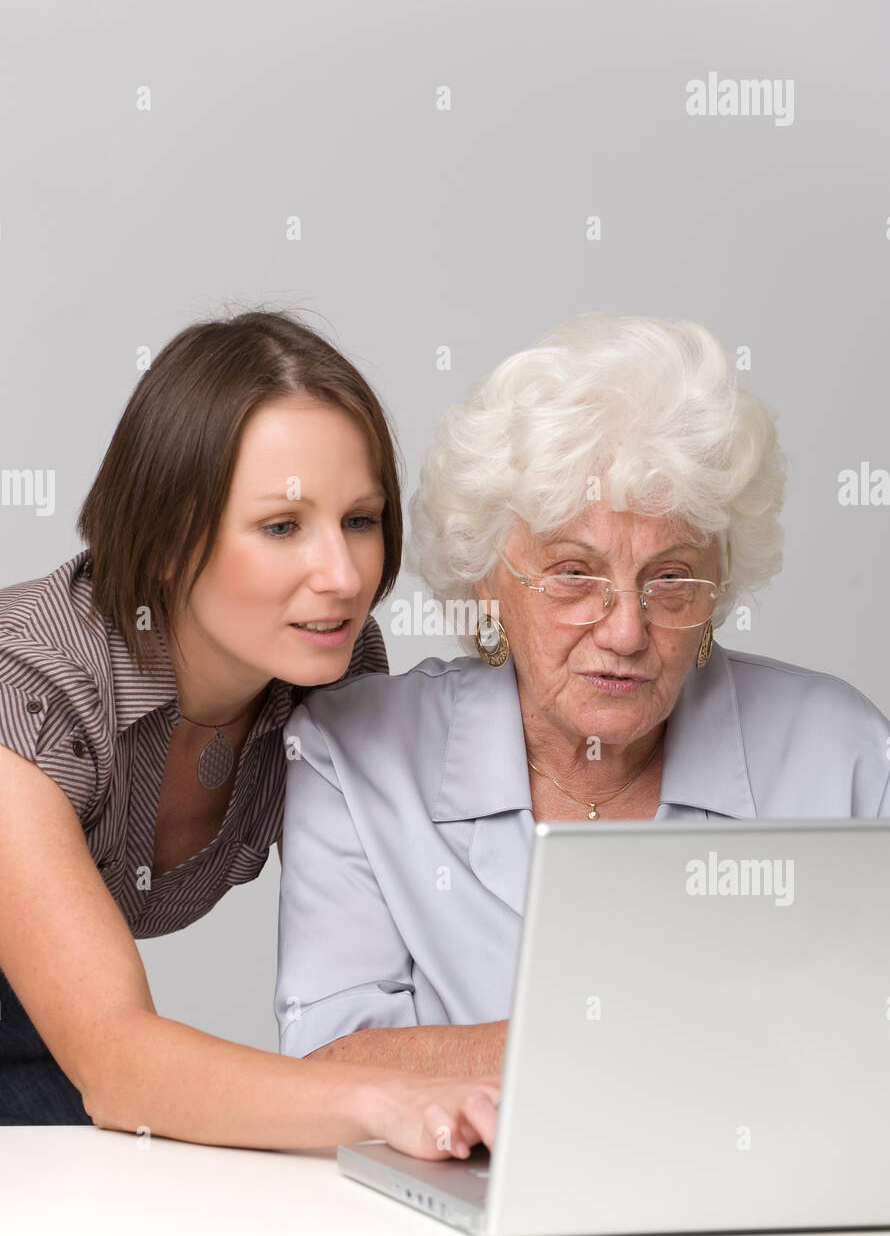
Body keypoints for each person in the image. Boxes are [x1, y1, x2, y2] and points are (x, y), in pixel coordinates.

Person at [275, 312, 890, 1074]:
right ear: (489, 582)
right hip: (466, 1189)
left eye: (670, 578)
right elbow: (330, 1064)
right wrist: (651, 1048)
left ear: (719, 589)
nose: (626, 631)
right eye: (573, 573)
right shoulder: (357, 756)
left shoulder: (844, 758)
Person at [0, 309, 497, 1158]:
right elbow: (119, 1065)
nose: (342, 577)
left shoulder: (327, 672)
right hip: (75, 1048)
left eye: (361, 520)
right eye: (282, 527)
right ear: (164, 537)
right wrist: (382, 1098)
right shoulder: (34, 687)